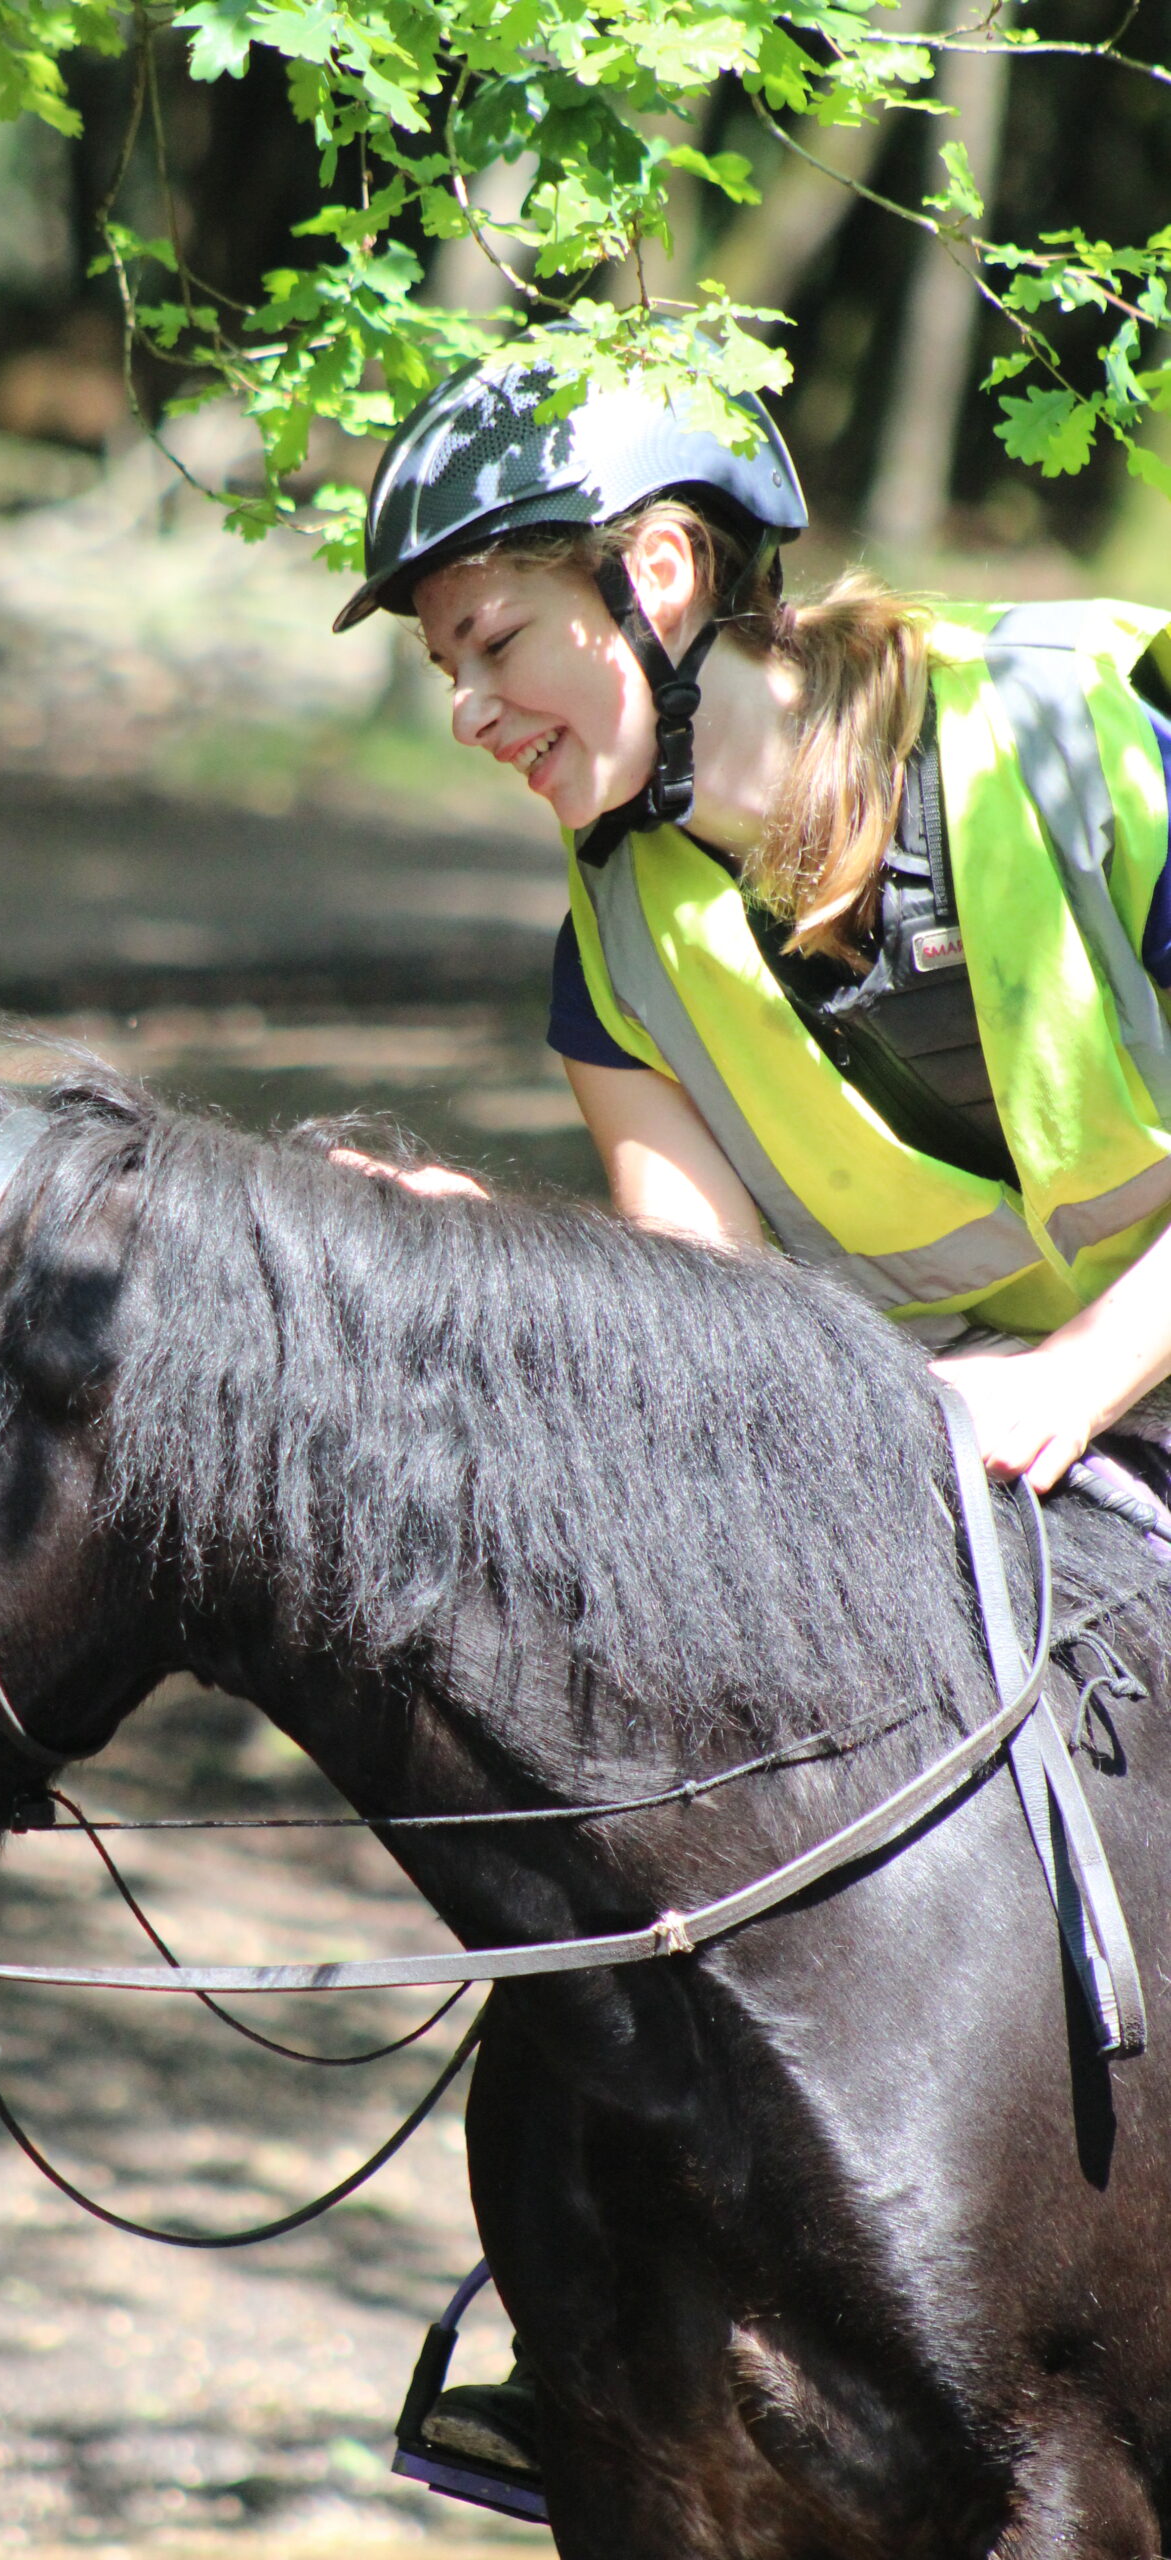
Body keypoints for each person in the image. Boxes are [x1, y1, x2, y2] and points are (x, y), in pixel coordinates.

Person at [330, 336, 1171, 2490]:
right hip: (971, 1446)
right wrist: (482, 1266)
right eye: (441, 659)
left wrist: (1076, 1373)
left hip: (1072, 1404)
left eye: (494, 633)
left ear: (664, 572)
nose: (466, 705)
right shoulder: (616, 931)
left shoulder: (1093, 729)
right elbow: (704, 1321)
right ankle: (625, 2331)